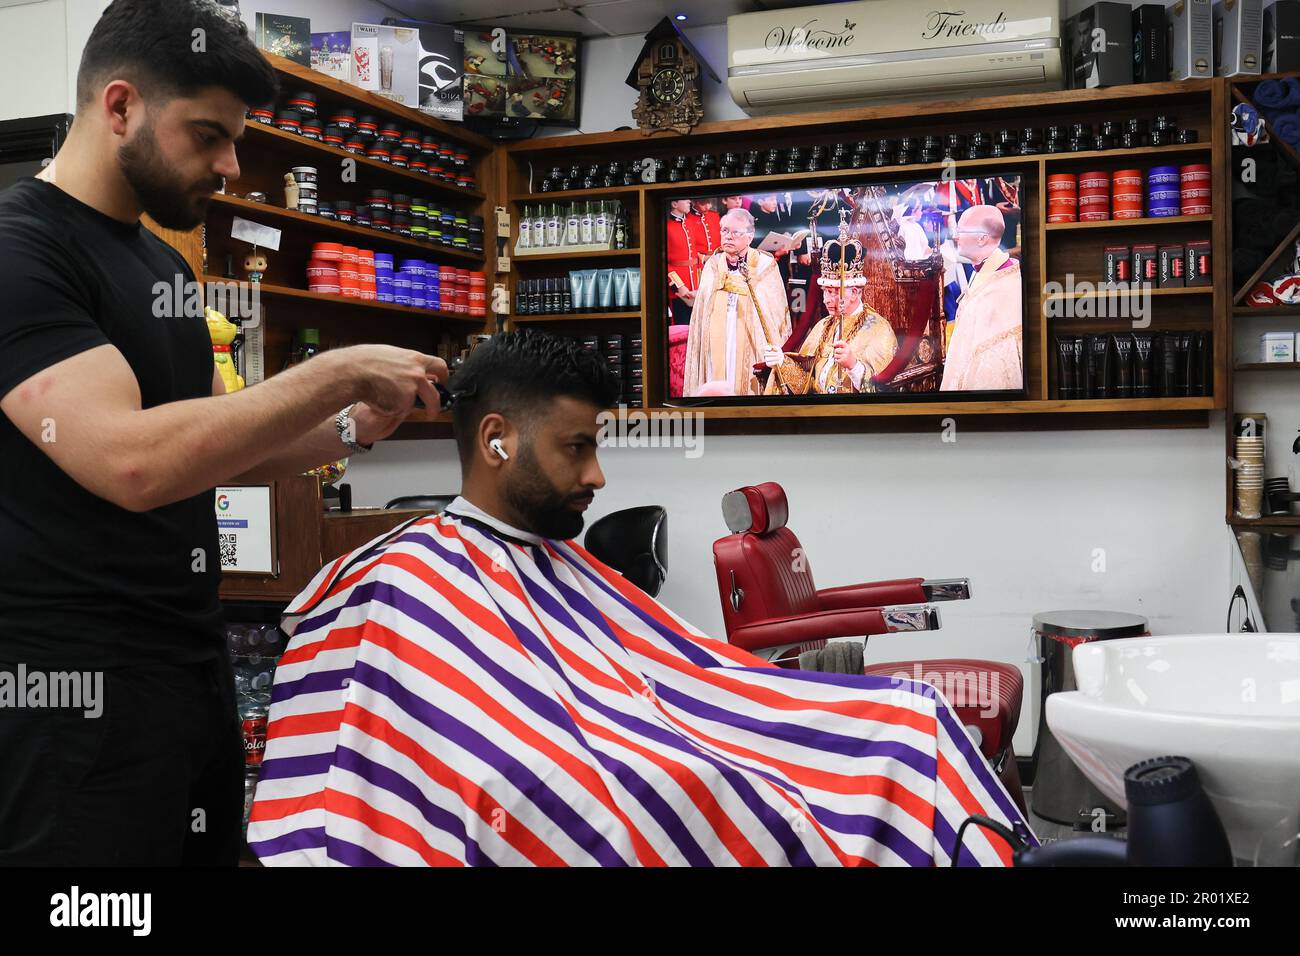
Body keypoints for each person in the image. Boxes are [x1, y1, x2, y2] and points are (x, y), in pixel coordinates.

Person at [248, 330, 1036, 867]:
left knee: (910, 719)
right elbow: (465, 762)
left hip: (664, 741)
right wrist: (649, 763)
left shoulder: (559, 563)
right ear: (496, 441)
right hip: (606, 780)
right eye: (578, 449)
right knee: (670, 796)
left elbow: (678, 681)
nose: (597, 478)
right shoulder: (404, 577)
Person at [0, 0, 448, 866]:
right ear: (119, 106)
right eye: (207, 135)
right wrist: (334, 369)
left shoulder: (161, 263)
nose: (231, 165)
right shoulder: (21, 254)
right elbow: (131, 462)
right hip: (72, 701)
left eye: (237, 139)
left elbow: (229, 437)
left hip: (184, 672)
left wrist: (350, 427)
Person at [764, 241, 898, 395]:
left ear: (854, 292)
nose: (826, 300)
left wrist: (853, 366)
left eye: (834, 292)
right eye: (825, 291)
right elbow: (806, 384)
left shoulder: (879, 329)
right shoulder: (823, 325)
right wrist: (782, 361)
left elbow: (883, 389)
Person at [683, 208, 791, 396]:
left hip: (750, 338)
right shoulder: (713, 265)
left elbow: (774, 311)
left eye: (735, 232)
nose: (728, 237)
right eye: (724, 230)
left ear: (749, 237)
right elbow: (702, 309)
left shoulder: (765, 265)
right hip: (717, 339)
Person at [940, 205, 1024, 392]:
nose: (955, 236)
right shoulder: (984, 270)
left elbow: (996, 369)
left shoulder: (1007, 286)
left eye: (961, 231)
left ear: (982, 238)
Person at [665, 198, 703, 326]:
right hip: (679, 290)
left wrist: (700, 284)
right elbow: (664, 263)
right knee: (682, 329)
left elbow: (695, 258)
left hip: (696, 288)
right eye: (685, 200)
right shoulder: (667, 227)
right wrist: (679, 286)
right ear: (674, 204)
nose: (689, 202)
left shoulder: (690, 224)